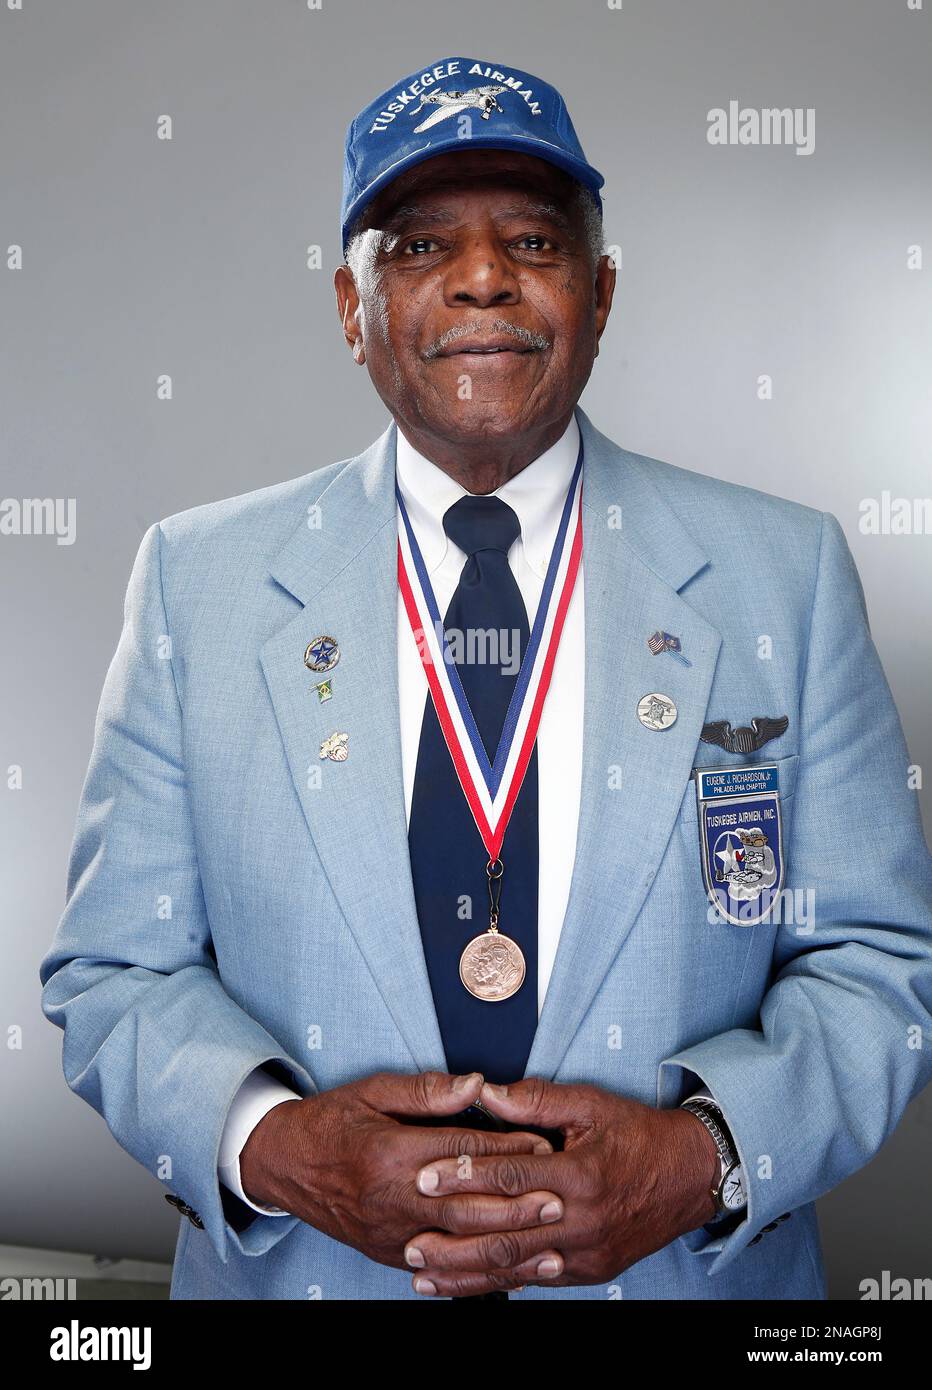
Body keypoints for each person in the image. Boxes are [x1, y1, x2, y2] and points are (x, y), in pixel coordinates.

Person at [40, 54, 932, 1301]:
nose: (479, 277)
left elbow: (877, 960)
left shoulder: (780, 573)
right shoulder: (197, 581)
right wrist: (277, 1147)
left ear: (601, 293)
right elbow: (113, 969)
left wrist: (698, 1156)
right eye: (414, 247)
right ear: (348, 311)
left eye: (529, 237)